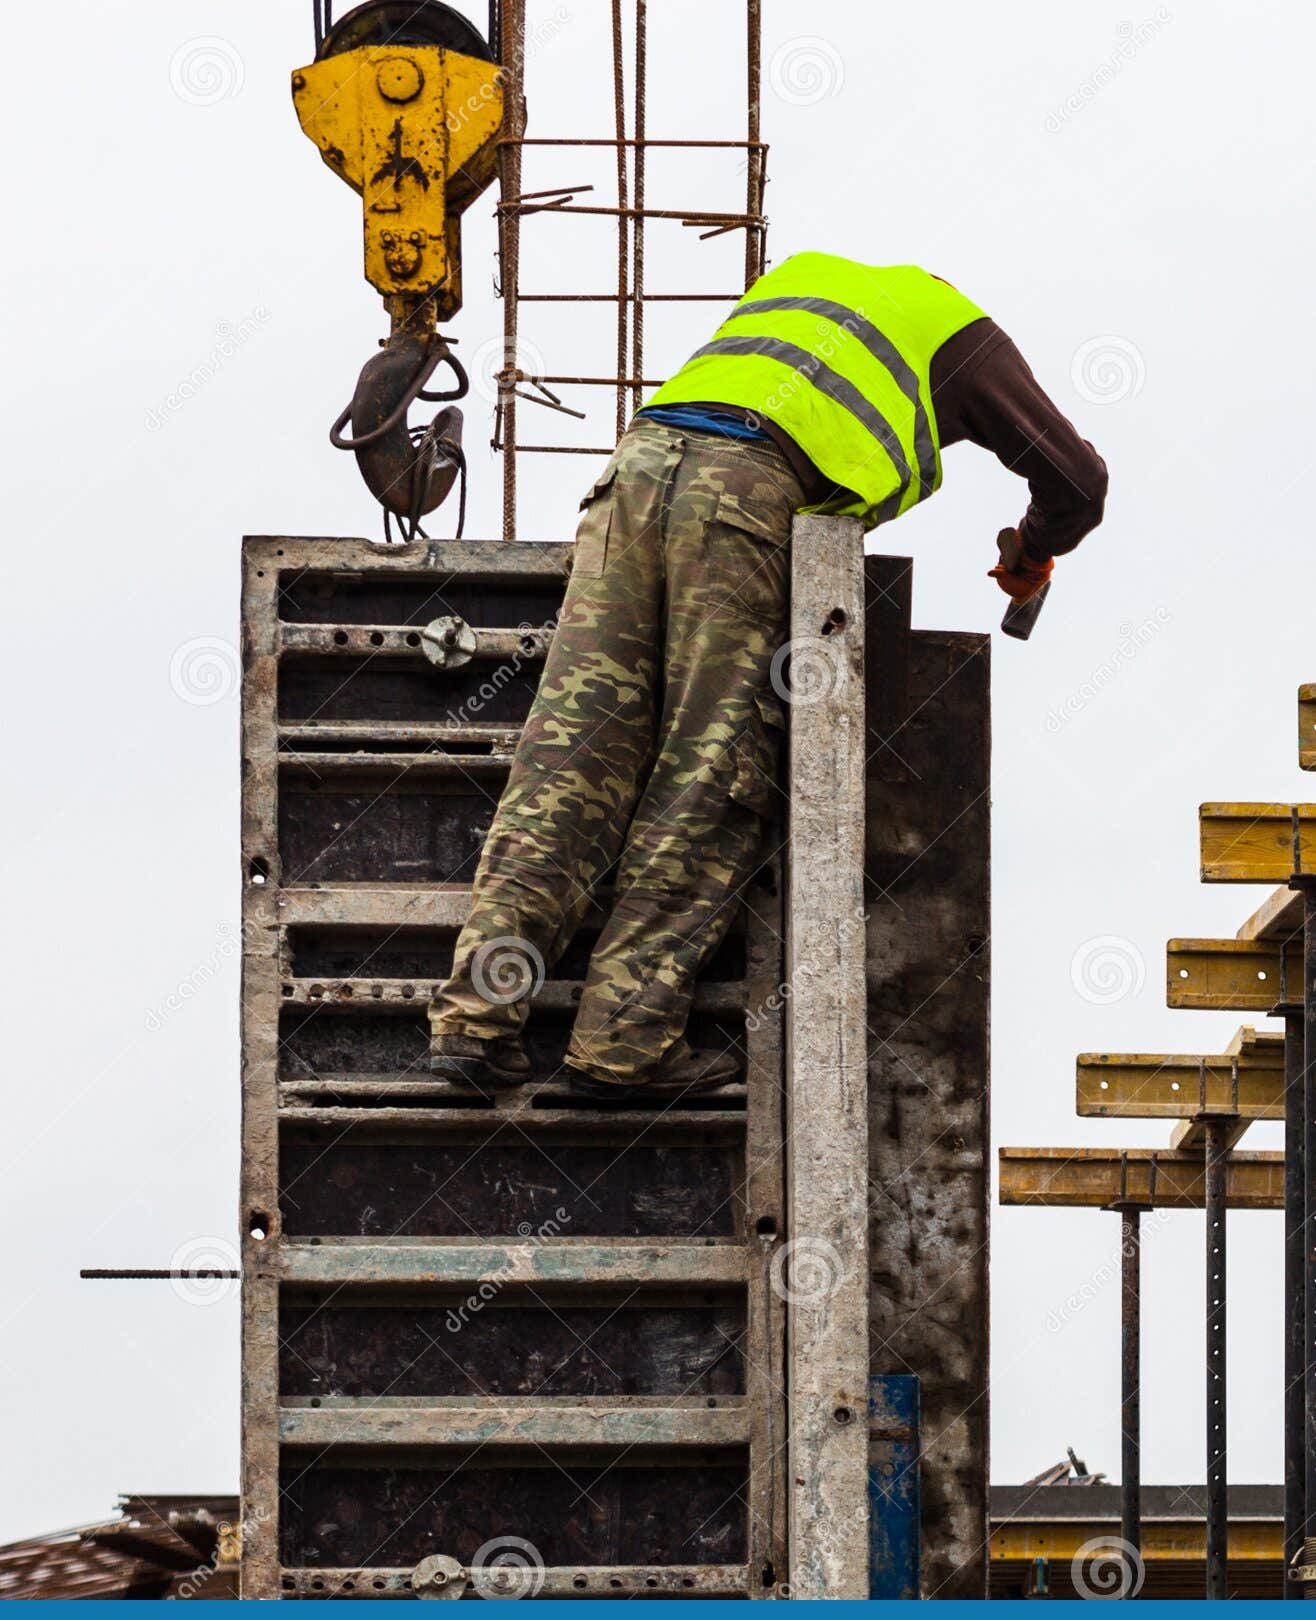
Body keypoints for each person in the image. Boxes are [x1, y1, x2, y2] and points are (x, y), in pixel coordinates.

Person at [429, 252, 1107, 1097]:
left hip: (632, 477)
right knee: (710, 772)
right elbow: (1078, 481)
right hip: (745, 496)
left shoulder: (802, 279)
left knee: (572, 760)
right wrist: (1034, 552)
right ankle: (622, 1043)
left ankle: (473, 1023)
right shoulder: (960, 335)